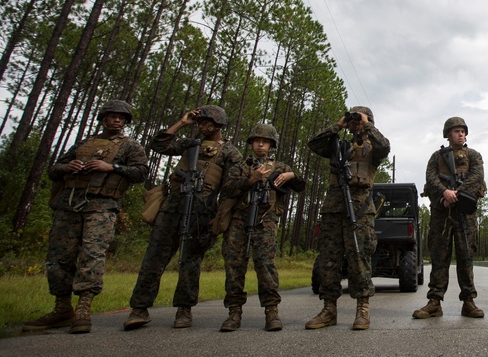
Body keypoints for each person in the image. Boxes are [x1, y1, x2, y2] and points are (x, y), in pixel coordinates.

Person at [23, 100, 148, 334]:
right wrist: (68, 167)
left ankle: (83, 309)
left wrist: (112, 167)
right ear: (103, 118)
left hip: (101, 205)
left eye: (121, 117)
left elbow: (141, 172)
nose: (116, 120)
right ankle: (62, 308)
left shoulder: (131, 146)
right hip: (69, 204)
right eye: (112, 116)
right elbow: (54, 169)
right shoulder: (85, 142)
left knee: (92, 254)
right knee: (59, 256)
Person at [123, 106, 242, 330]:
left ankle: (184, 309)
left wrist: (217, 218)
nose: (201, 126)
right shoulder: (189, 143)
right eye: (200, 122)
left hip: (200, 211)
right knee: (153, 258)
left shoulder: (230, 152)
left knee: (190, 262)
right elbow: (159, 145)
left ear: (218, 124)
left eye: (206, 122)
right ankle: (139, 308)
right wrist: (181, 122)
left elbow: (231, 189)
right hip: (172, 206)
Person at [305, 106, 390, 331]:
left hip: (360, 210)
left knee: (359, 258)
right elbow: (313, 143)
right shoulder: (336, 145)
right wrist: (339, 124)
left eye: (359, 118)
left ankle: (362, 309)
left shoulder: (373, 148)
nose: (355, 122)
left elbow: (385, 146)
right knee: (328, 260)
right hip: (333, 209)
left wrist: (367, 125)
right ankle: (329, 309)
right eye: (352, 118)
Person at [218, 123, 305, 332]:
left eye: (264, 141)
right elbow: (228, 188)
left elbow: (301, 185)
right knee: (234, 264)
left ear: (271, 145)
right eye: (257, 140)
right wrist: (251, 179)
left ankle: (271, 312)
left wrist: (292, 175)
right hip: (239, 219)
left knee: (265, 265)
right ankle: (234, 312)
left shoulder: (279, 167)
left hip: (265, 220)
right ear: (251, 143)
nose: (260, 144)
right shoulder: (241, 166)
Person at [413, 117, 488, 319]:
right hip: (441, 213)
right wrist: (444, 194)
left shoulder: (474, 155)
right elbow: (431, 177)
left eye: (463, 131)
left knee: (466, 257)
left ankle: (469, 301)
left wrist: (456, 195)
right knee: (439, 257)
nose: (460, 134)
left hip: (465, 213)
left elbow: (476, 178)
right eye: (456, 131)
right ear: (448, 134)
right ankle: (434, 301)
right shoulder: (437, 156)